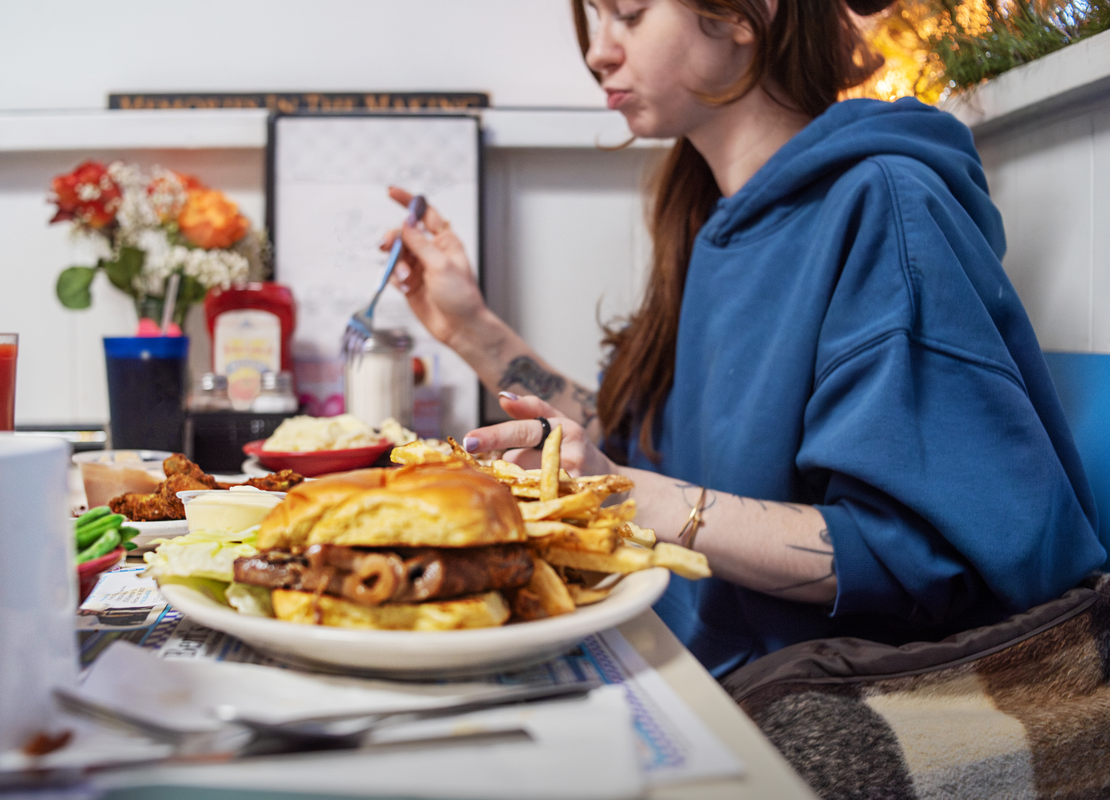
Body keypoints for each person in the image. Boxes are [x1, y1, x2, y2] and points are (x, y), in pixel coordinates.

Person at [381, 0, 1106, 676]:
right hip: (671, 653)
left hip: (800, 699)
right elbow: (635, 454)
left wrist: (629, 493)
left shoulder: (883, 207)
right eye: (594, 16)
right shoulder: (706, 216)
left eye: (629, 13)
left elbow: (923, 558)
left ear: (741, 15)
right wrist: (468, 326)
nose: (599, 52)